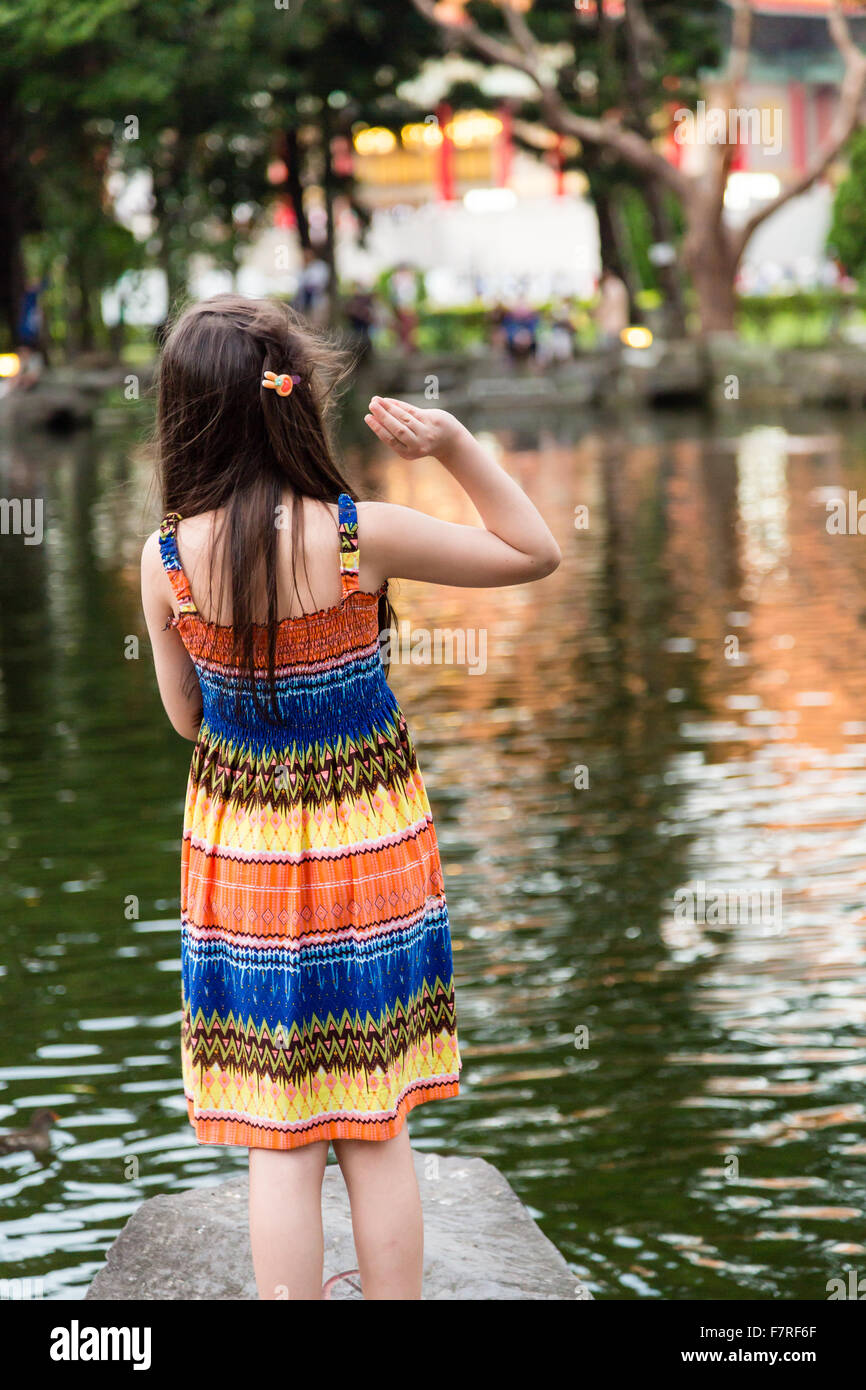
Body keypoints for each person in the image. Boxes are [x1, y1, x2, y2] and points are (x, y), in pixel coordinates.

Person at [140, 295, 560, 1301]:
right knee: (375, 1121)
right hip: (369, 847)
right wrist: (454, 444)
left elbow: (187, 720)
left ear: (184, 417)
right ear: (294, 404)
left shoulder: (164, 565)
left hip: (242, 854)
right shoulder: (354, 538)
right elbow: (531, 549)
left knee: (279, 1137)